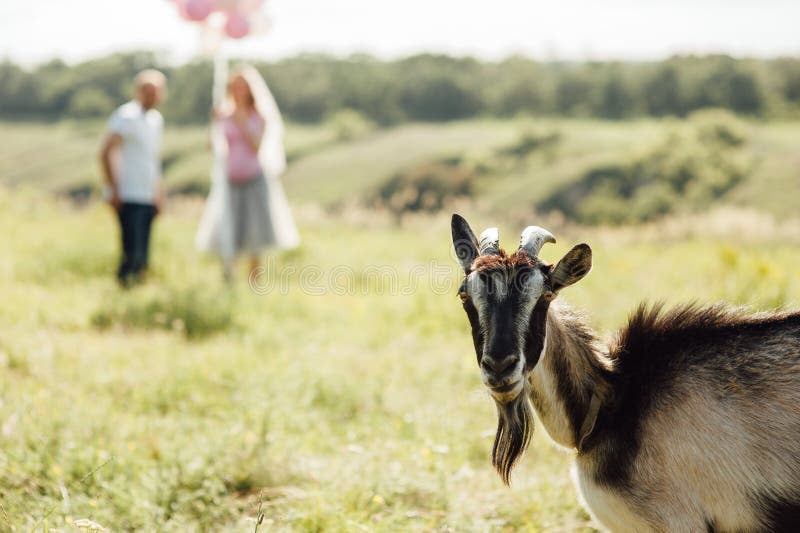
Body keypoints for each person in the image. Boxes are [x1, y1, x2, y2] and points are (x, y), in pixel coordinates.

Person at [196, 64, 299, 281]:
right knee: (229, 228)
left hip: (254, 179)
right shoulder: (224, 114)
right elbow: (211, 146)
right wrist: (213, 122)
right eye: (235, 86)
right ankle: (228, 275)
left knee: (255, 233)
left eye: (243, 86)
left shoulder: (259, 115)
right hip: (230, 179)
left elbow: (257, 146)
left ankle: (255, 279)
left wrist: (241, 121)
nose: (239, 91)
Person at [99, 69, 167, 287]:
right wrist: (114, 189)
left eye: (156, 91)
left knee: (144, 254)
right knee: (132, 252)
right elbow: (107, 151)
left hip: (147, 194)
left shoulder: (156, 120)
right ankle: (124, 294)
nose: (152, 95)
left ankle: (136, 294)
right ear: (138, 92)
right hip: (128, 193)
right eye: (147, 91)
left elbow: (152, 161)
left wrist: (158, 194)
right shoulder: (126, 116)